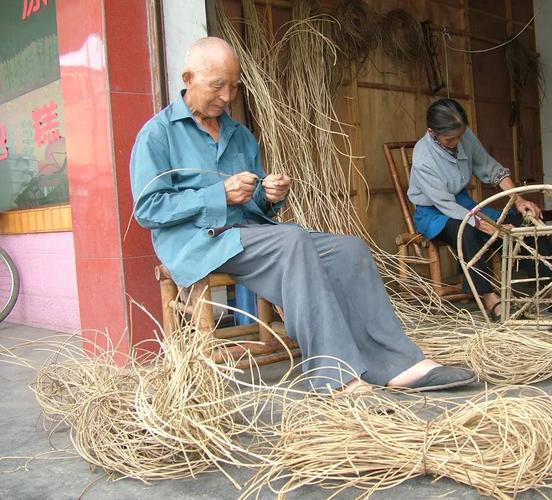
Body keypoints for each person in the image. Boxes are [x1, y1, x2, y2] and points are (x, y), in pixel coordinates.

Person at [130, 37, 474, 393]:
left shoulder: (239, 135)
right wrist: (217, 195)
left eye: (234, 86)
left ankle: (397, 363)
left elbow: (253, 206)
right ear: (188, 78)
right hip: (197, 242)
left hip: (247, 236)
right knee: (290, 241)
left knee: (349, 250)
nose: (227, 96)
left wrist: (268, 195)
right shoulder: (158, 134)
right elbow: (148, 208)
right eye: (217, 86)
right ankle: (334, 375)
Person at [408, 98, 552, 320]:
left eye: (459, 136)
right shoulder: (423, 157)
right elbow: (445, 205)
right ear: (432, 132)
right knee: (467, 231)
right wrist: (485, 224)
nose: (456, 142)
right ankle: (490, 299)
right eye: (449, 139)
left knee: (524, 223)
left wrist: (518, 200)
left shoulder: (465, 137)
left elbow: (491, 169)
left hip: (465, 204)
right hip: (434, 213)